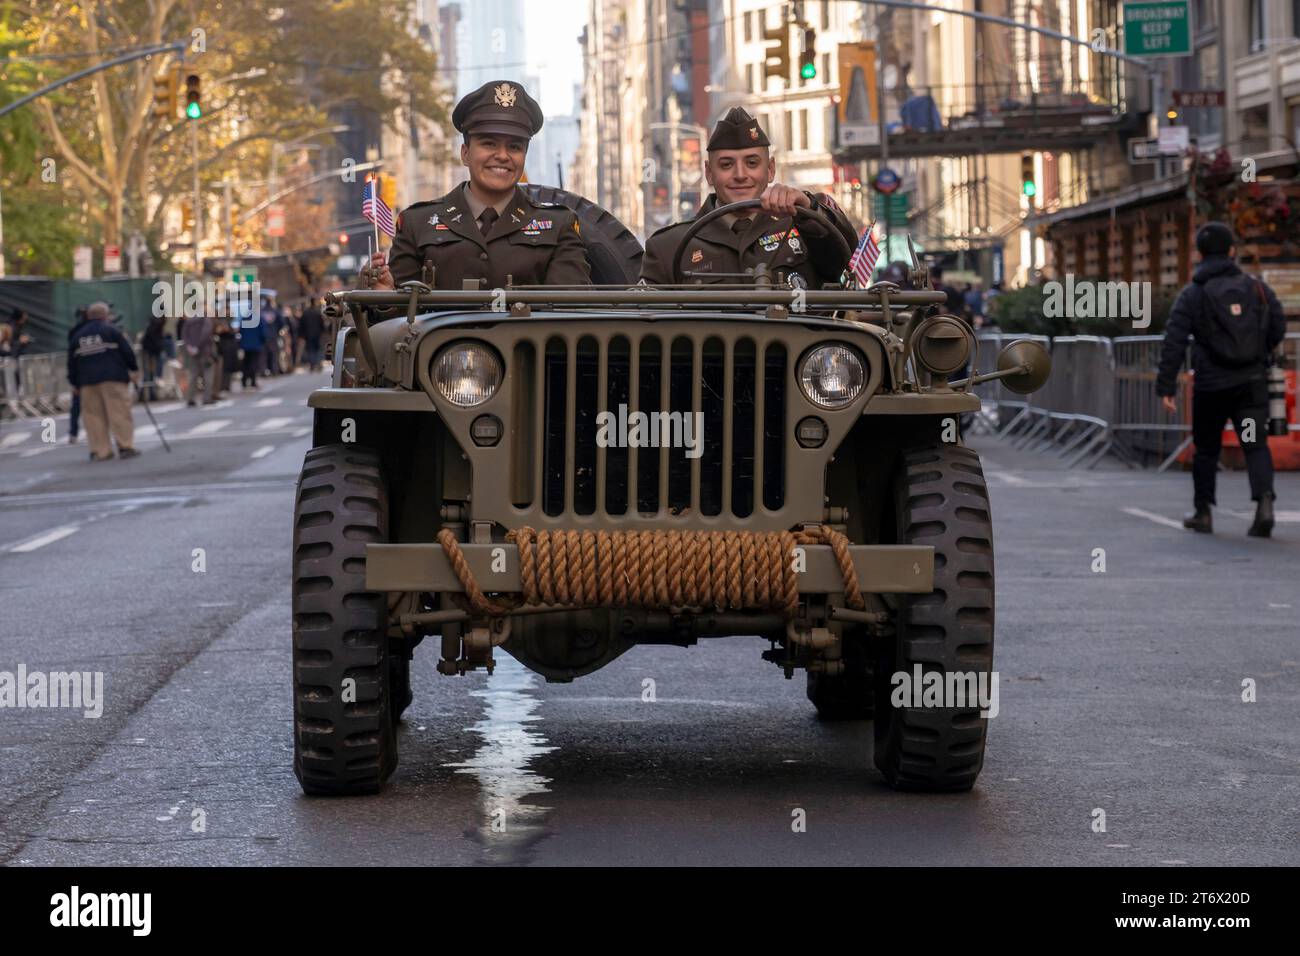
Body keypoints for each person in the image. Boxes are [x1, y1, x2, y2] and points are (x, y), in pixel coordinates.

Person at [366, 80, 590, 292]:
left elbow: (568, 315)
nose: (502, 156)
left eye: (514, 147)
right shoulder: (417, 224)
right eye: (489, 143)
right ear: (465, 153)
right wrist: (384, 295)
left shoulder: (559, 225)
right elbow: (398, 323)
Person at [1157, 221, 1286, 537]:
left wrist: (1166, 385)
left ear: (1200, 254)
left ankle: (1203, 512)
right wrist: (1259, 352)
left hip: (1212, 387)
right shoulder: (1256, 288)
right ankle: (1264, 502)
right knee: (1254, 444)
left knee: (1207, 448)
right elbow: (1278, 325)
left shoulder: (1194, 293)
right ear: (1231, 251)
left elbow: (1174, 340)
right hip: (1250, 386)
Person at [639, 108, 857, 287]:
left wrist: (808, 208)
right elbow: (649, 325)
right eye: (726, 165)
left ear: (770, 169)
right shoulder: (669, 247)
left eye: (752, 163)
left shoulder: (805, 228)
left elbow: (846, 255)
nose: (740, 175)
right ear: (708, 173)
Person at [67, 301, 139, 461]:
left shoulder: (78, 336)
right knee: (119, 412)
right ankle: (125, 446)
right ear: (105, 315)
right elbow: (126, 351)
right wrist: (133, 369)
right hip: (113, 378)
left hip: (87, 382)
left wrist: (74, 382)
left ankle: (101, 451)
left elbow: (71, 362)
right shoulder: (112, 331)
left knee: (93, 417)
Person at [179, 312, 216, 406]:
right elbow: (206, 333)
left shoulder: (189, 322)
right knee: (208, 375)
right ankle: (207, 397)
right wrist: (197, 347)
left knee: (192, 375)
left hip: (192, 352)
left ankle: (190, 398)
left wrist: (190, 347)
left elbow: (184, 335)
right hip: (205, 351)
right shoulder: (206, 320)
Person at [240, 303, 267, 390]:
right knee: (254, 363)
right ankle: (253, 381)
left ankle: (244, 381)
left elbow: (241, 330)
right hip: (256, 344)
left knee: (246, 363)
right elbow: (263, 332)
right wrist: (263, 341)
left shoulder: (244, 318)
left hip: (245, 344)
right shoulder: (259, 318)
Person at [140, 315, 166, 403]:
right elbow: (153, 340)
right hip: (150, 352)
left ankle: (146, 393)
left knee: (149, 374)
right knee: (149, 374)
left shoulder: (154, 324)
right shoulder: (156, 325)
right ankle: (147, 393)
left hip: (150, 351)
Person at [297, 298, 326, 372]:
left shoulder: (306, 313)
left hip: (308, 334)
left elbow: (302, 324)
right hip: (317, 334)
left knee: (310, 349)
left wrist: (301, 334)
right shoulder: (317, 312)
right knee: (318, 349)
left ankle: (312, 364)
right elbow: (322, 324)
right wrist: (323, 332)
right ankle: (319, 363)